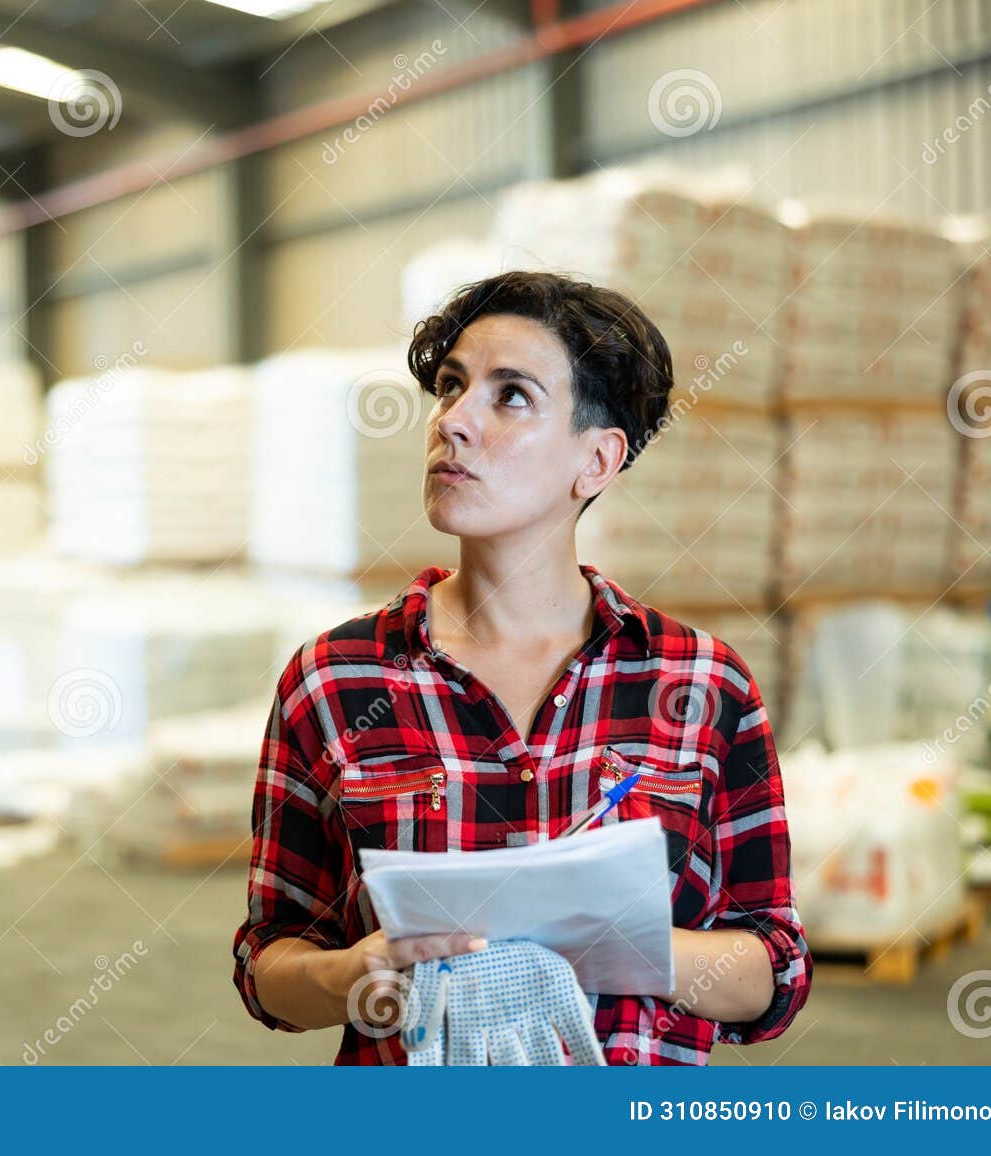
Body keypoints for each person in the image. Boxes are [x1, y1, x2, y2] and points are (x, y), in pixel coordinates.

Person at [232, 270, 811, 1065]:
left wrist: (612, 948)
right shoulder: (336, 681)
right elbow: (269, 964)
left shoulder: (702, 686)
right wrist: (351, 976)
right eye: (450, 387)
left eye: (511, 397)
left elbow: (774, 970)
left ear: (597, 461)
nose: (453, 422)